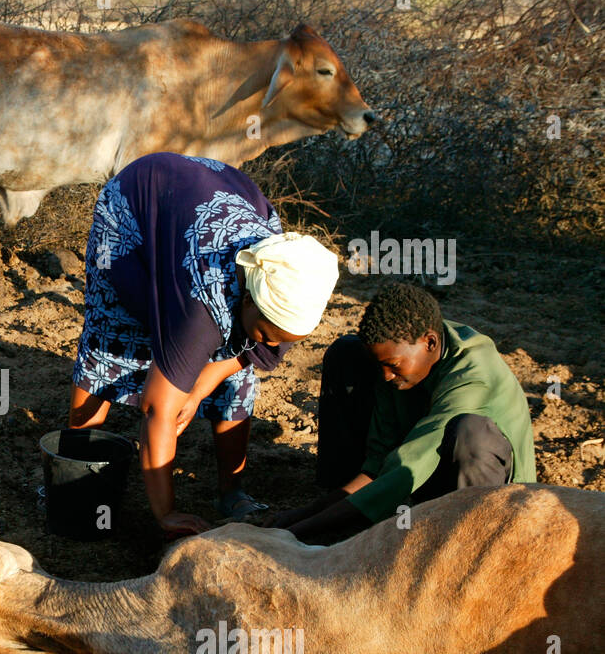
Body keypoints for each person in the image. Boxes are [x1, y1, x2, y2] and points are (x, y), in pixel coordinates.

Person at [68, 151, 340, 537]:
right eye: (266, 334)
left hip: (212, 196)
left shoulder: (292, 283)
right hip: (134, 212)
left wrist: (196, 391)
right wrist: (167, 513)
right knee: (113, 338)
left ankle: (232, 492)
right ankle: (77, 464)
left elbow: (248, 353)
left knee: (239, 381)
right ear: (248, 299)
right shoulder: (202, 308)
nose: (273, 345)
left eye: (285, 340)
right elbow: (156, 411)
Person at [270, 282, 536, 541]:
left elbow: (408, 463)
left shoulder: (475, 375)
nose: (386, 376)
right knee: (348, 352)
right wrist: (306, 514)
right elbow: (379, 461)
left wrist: (301, 530)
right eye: (382, 367)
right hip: (419, 470)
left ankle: (469, 538)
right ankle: (342, 506)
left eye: (394, 366)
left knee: (470, 433)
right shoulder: (402, 358)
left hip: (490, 492)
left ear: (430, 342)